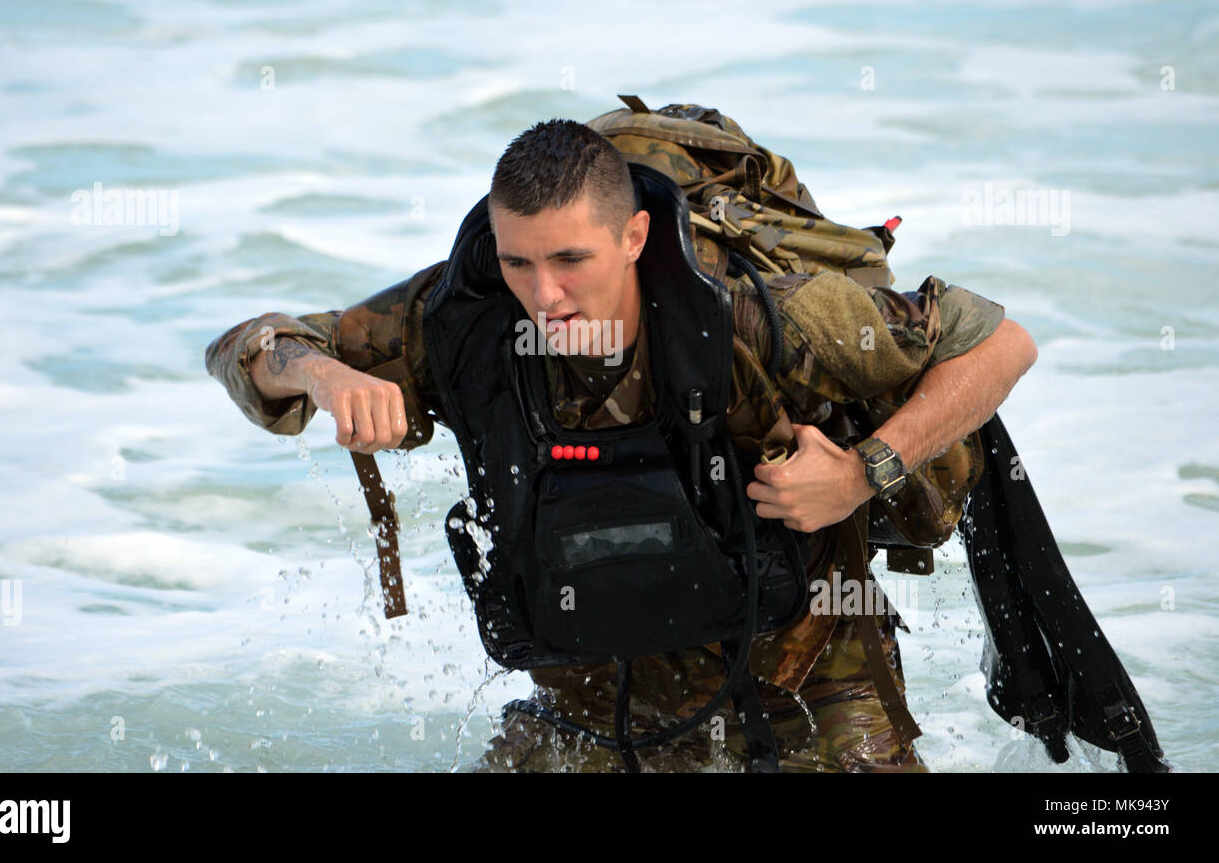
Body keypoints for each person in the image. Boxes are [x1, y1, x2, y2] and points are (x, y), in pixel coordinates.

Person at [205, 119, 1038, 772]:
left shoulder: (760, 316)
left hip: (803, 682)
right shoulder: (466, 320)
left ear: (635, 237)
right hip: (593, 696)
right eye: (520, 262)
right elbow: (250, 346)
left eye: (572, 260)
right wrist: (320, 375)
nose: (545, 295)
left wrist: (863, 473)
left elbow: (998, 342)